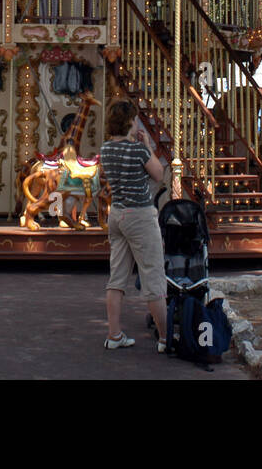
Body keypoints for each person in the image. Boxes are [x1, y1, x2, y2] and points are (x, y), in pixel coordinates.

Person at [98, 99, 168, 351]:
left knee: (117, 278)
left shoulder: (106, 149)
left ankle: (114, 334)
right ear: (130, 122)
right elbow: (158, 174)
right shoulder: (137, 150)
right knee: (153, 276)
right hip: (139, 214)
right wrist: (147, 146)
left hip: (117, 214)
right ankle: (164, 338)